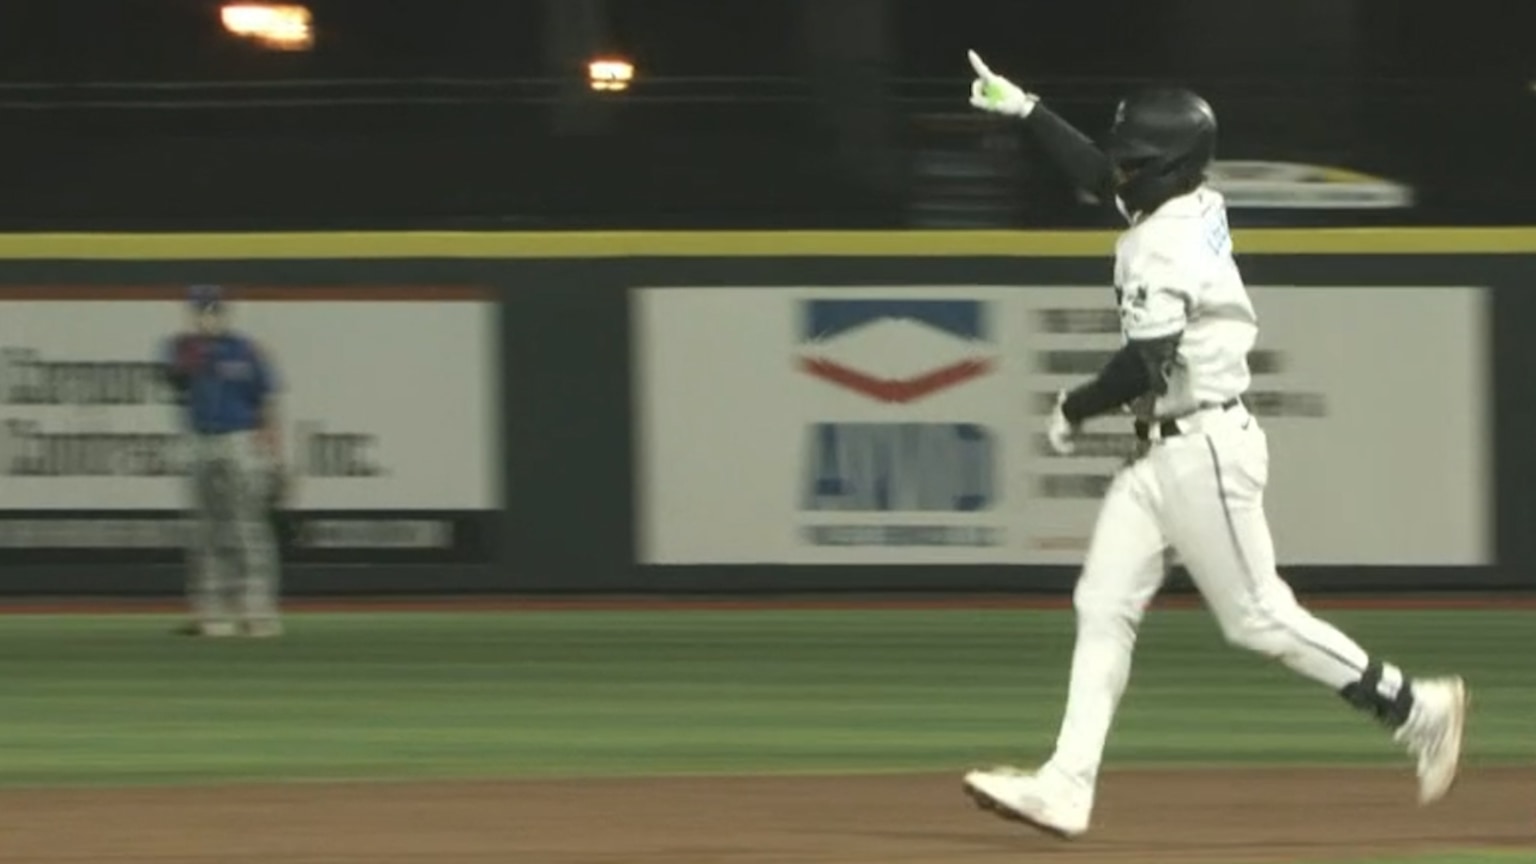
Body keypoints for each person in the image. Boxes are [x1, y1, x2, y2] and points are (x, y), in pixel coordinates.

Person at [959, 52, 1468, 839]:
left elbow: (1145, 363)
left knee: (1258, 618)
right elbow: (1102, 178)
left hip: (1204, 453)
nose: (1119, 172)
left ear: (1166, 168)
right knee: (1102, 604)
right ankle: (1066, 785)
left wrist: (1074, 405)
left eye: (1135, 161)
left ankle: (1416, 707)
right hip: (1163, 457)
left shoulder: (1159, 245)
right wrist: (1027, 111)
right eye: (1125, 157)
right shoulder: (1193, 201)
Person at [159, 285, 285, 638]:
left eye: (212, 309)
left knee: (248, 527)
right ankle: (210, 612)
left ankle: (257, 610)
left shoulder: (247, 350)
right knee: (205, 529)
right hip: (200, 440)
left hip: (240, 440)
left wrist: (275, 454)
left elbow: (267, 401)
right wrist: (194, 352)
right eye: (200, 309)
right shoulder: (181, 348)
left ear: (225, 311)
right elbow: (172, 380)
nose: (206, 316)